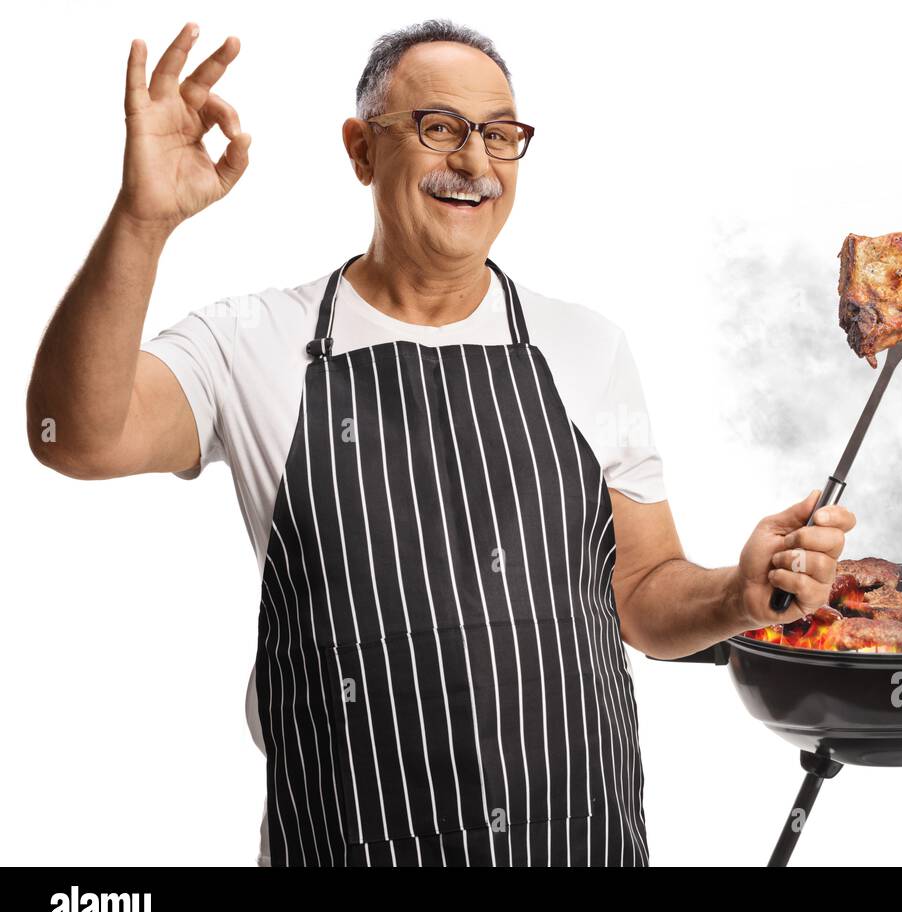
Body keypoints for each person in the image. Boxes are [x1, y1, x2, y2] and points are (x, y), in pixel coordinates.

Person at [26, 19, 856, 867]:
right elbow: (75, 436)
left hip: (580, 840)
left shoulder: (587, 347)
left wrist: (737, 596)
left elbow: (640, 596)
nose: (475, 163)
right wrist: (142, 220)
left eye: (499, 135)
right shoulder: (249, 342)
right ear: (361, 150)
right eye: (440, 128)